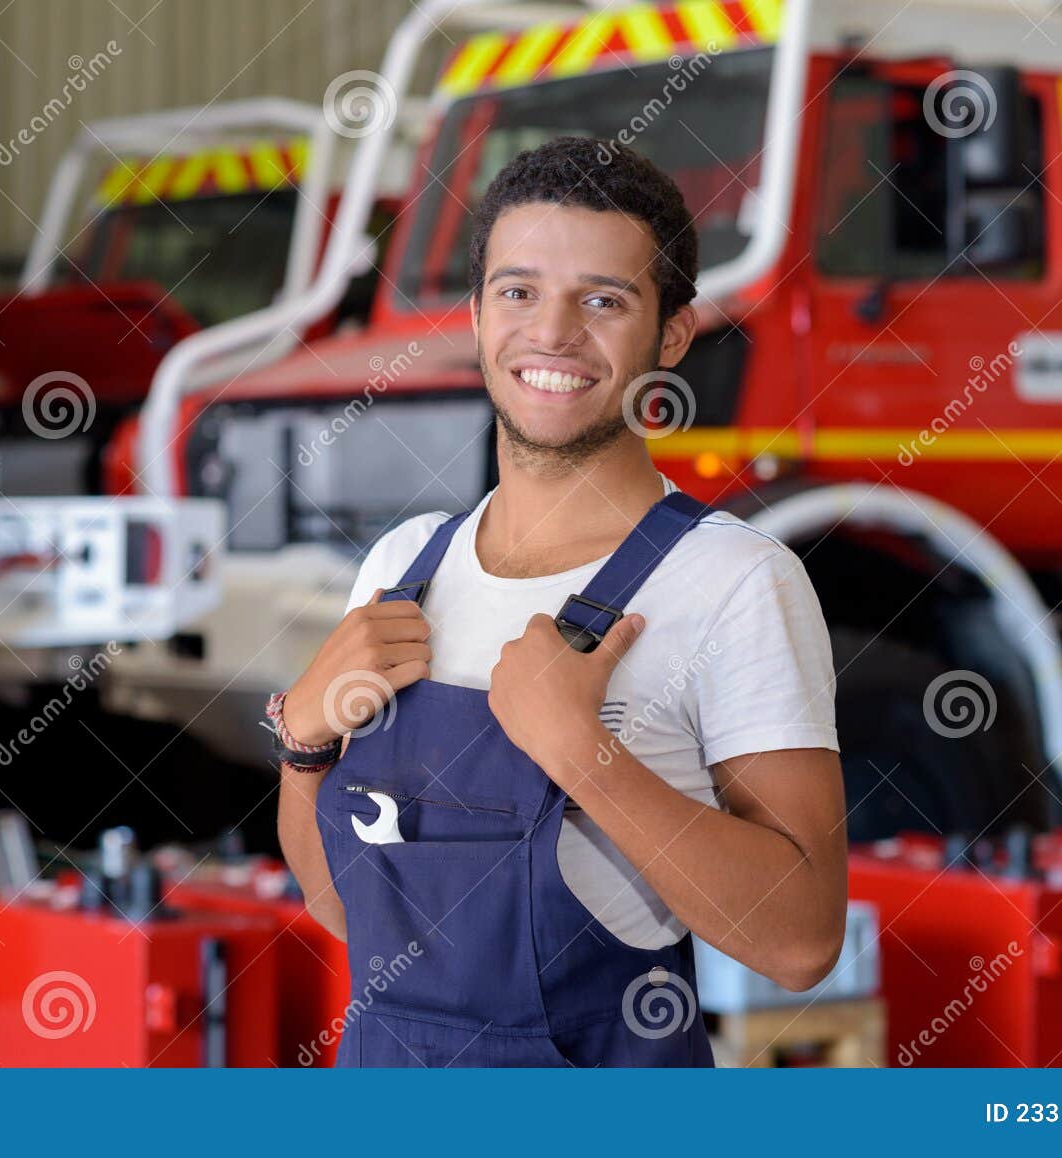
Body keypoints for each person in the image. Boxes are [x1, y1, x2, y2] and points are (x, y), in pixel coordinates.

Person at [270, 136, 846, 1067]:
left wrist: (585, 753)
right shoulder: (401, 563)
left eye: (603, 301)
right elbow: (345, 911)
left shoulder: (736, 582)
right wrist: (301, 747)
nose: (551, 334)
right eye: (519, 291)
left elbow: (800, 942)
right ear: (475, 313)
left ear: (670, 335)